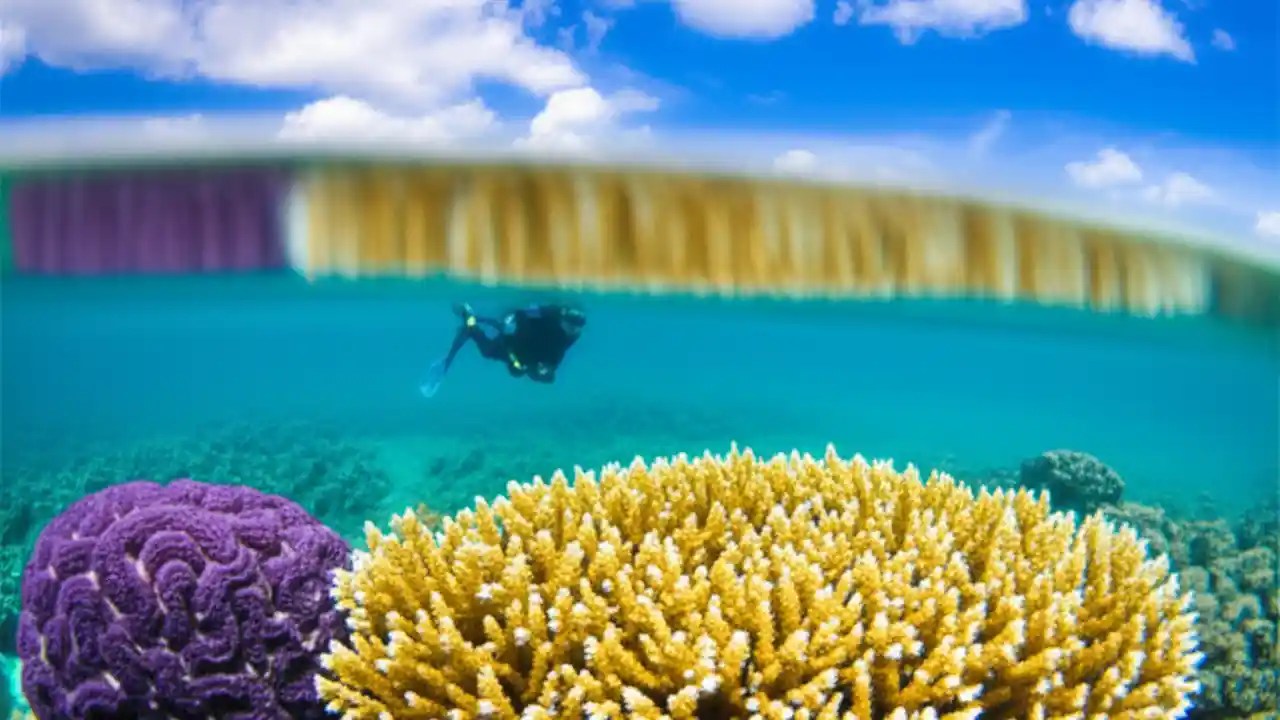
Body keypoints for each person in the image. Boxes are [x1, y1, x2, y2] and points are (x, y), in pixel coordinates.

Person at [419, 301, 586, 397]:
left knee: (489, 351)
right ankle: (471, 323)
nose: (572, 330)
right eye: (570, 325)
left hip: (520, 348)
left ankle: (471, 324)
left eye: (576, 328)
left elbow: (554, 358)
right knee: (492, 347)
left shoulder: (564, 342)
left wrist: (542, 368)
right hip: (521, 336)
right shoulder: (552, 316)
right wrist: (514, 317)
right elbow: (528, 312)